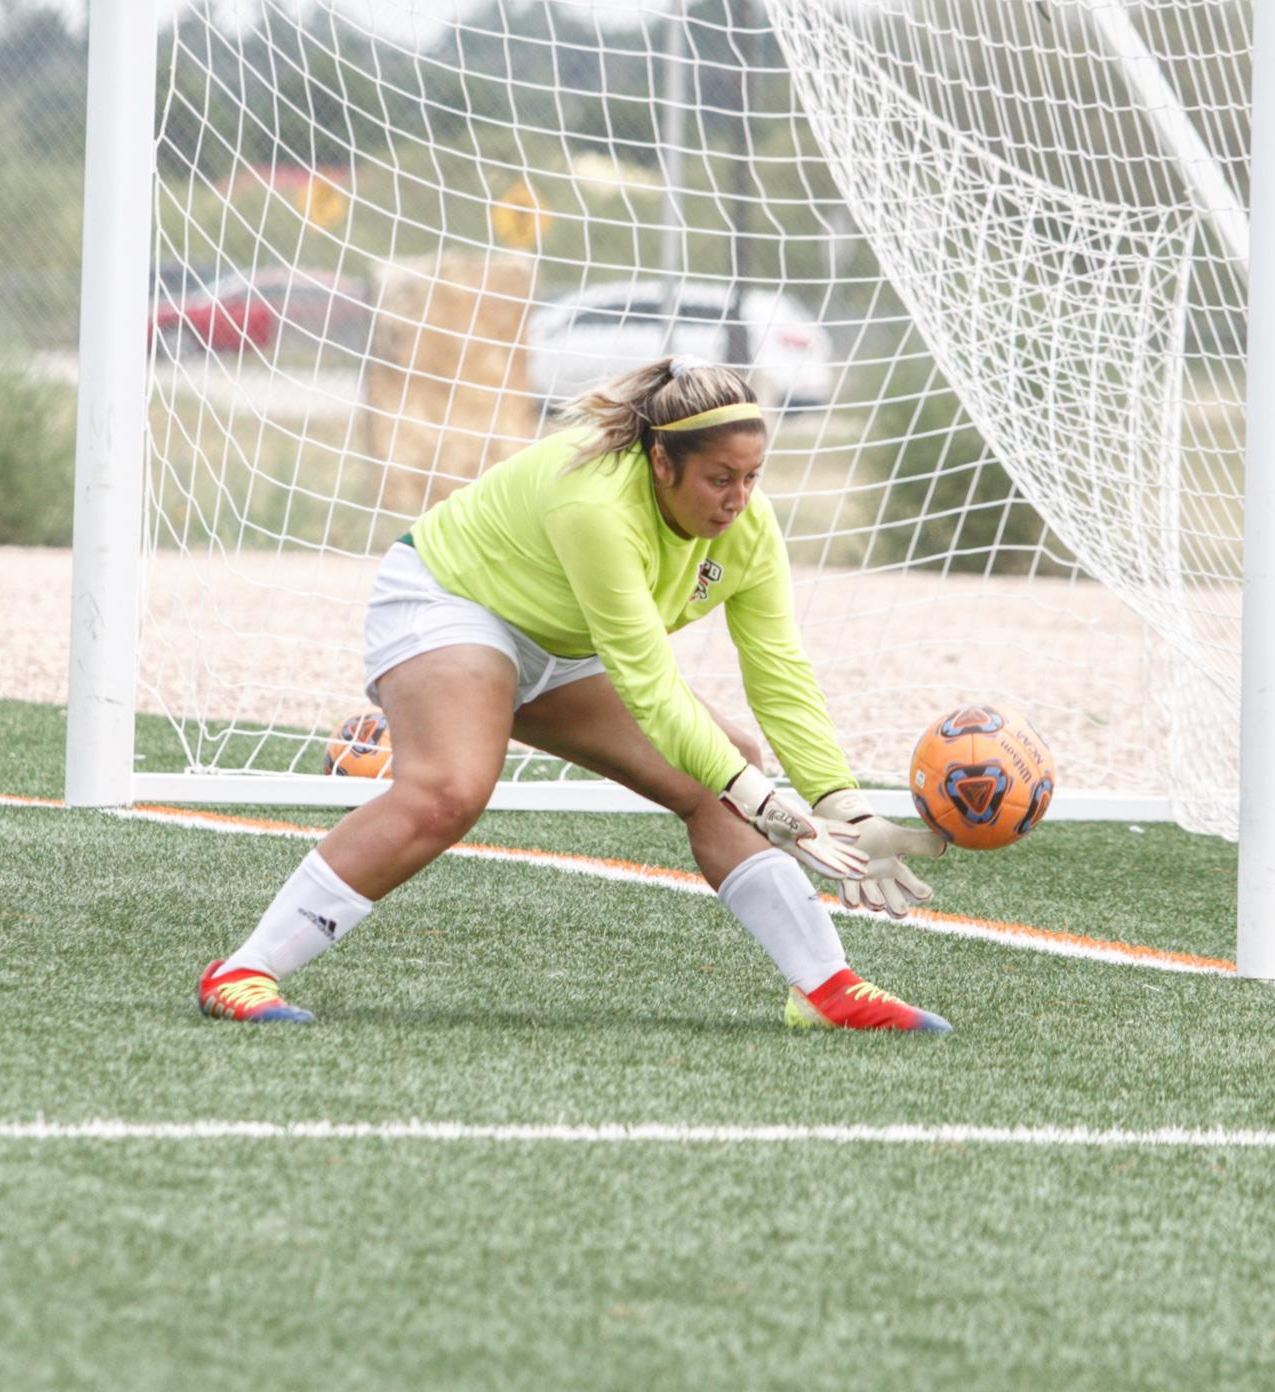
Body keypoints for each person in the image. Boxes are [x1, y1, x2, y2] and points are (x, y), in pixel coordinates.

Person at [197, 356, 952, 1032]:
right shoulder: (596, 503)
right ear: (662, 462)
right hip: (454, 603)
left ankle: (827, 989)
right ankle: (242, 971)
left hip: (564, 640)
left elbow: (780, 672)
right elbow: (650, 686)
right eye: (720, 478)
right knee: (449, 791)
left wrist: (840, 804)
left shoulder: (748, 529)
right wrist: (763, 800)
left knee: (719, 773)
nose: (738, 499)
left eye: (752, 478)